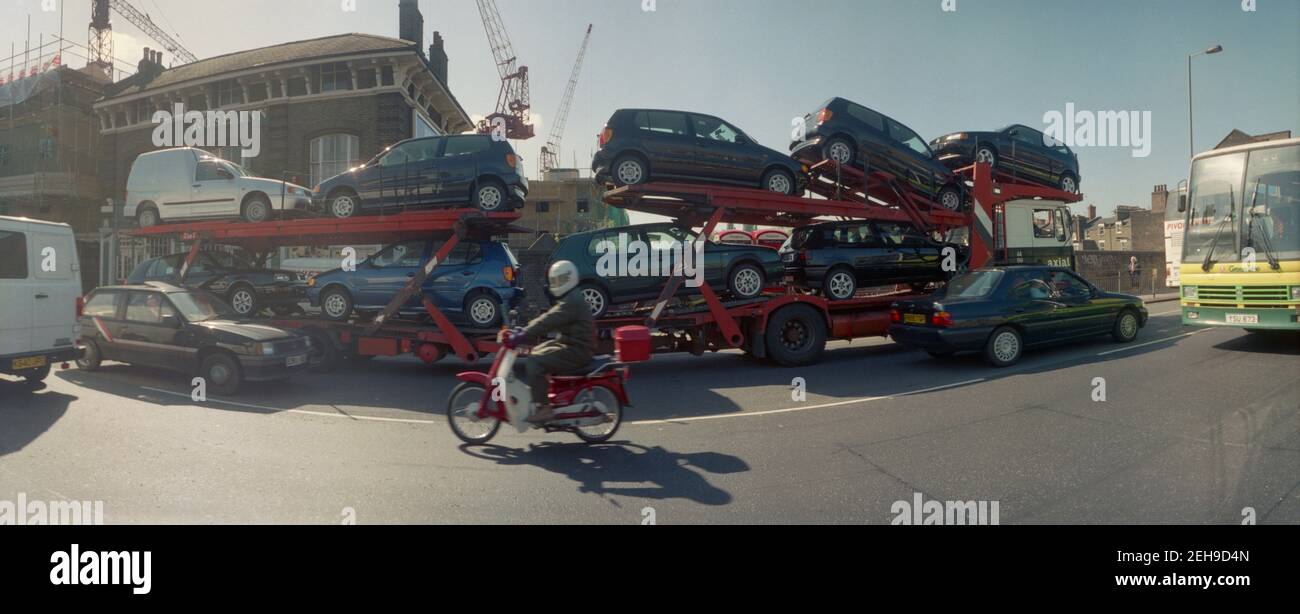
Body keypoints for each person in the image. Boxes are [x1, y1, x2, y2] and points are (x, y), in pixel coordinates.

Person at [505, 261, 596, 424]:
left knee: (534, 363)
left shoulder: (572, 301)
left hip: (577, 350)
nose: (556, 285)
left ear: (568, 279)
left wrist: (524, 333)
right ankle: (546, 391)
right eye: (554, 281)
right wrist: (523, 330)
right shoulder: (571, 297)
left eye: (559, 281)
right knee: (536, 351)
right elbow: (549, 317)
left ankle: (543, 408)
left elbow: (548, 321)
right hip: (570, 343)